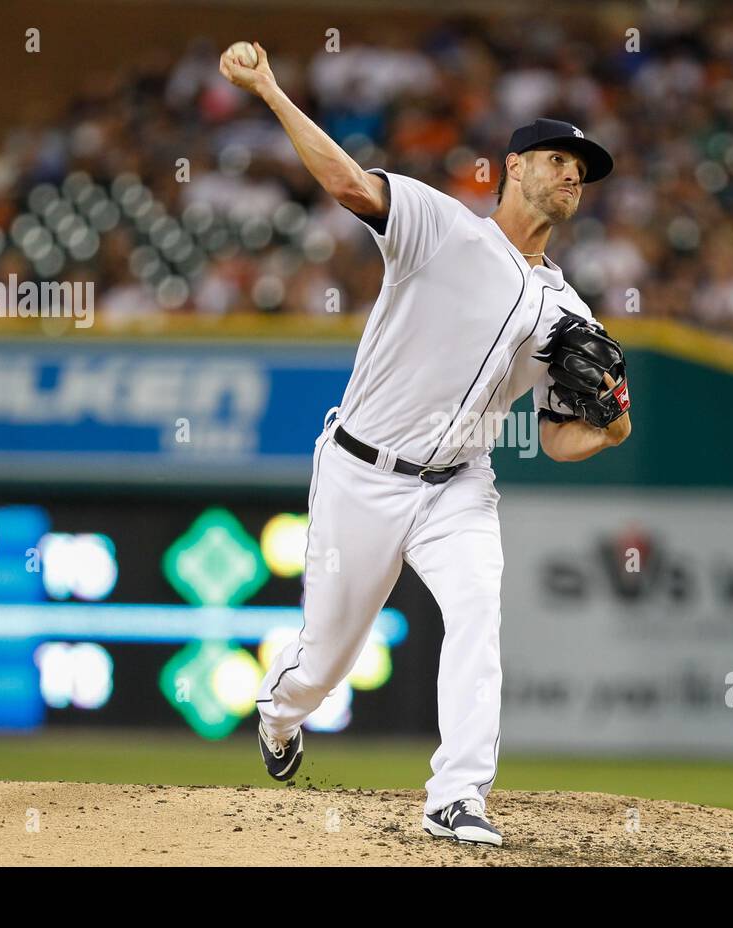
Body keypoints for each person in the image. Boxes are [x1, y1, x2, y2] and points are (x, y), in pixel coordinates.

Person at [220, 42, 631, 846]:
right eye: (558, 159)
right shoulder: (441, 225)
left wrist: (612, 424)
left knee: (479, 613)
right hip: (360, 473)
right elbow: (345, 183)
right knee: (324, 663)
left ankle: (457, 795)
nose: (573, 175)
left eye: (583, 168)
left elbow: (557, 441)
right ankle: (279, 715)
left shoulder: (568, 313)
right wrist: (270, 87)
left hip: (459, 486)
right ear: (513, 168)